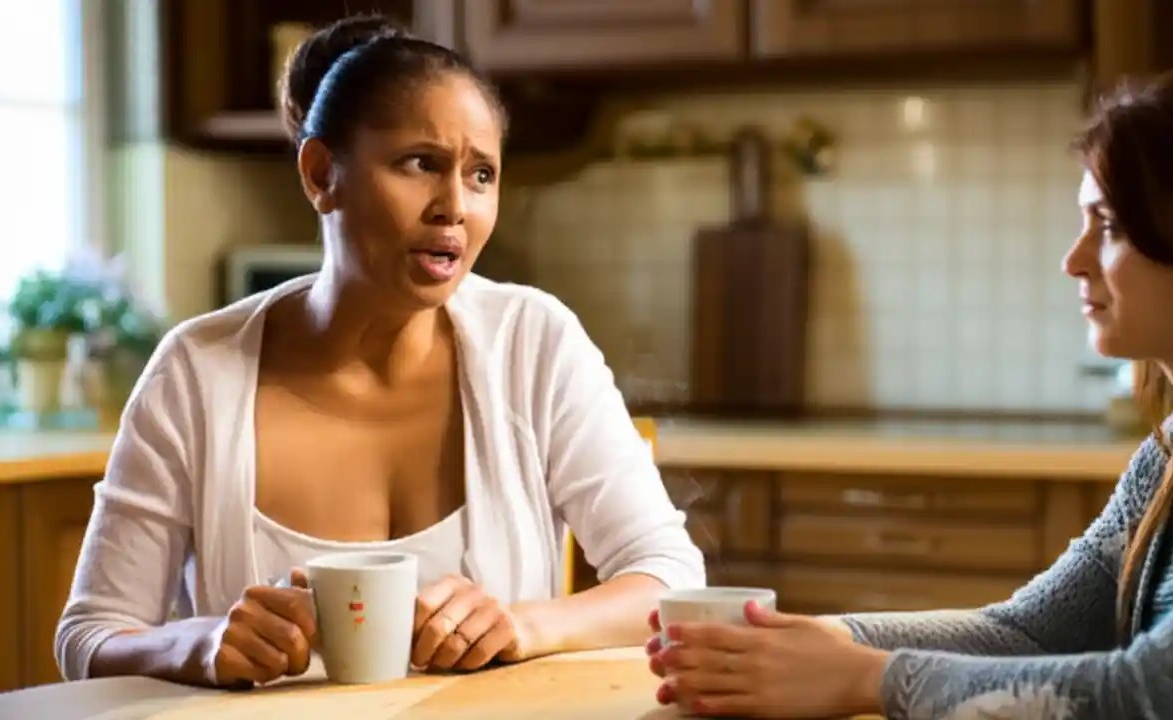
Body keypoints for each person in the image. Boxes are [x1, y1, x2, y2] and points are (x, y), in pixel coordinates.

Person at [56, 14, 704, 689]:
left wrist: (524, 624)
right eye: (420, 164)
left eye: (481, 175)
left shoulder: (533, 342)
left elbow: (669, 575)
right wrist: (198, 643)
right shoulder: (196, 370)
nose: (454, 205)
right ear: (320, 173)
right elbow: (89, 634)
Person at [647, 64, 1173, 719]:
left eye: (1110, 226)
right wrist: (824, 642)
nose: (1075, 259)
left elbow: (1158, 696)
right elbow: (1026, 633)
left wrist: (869, 678)